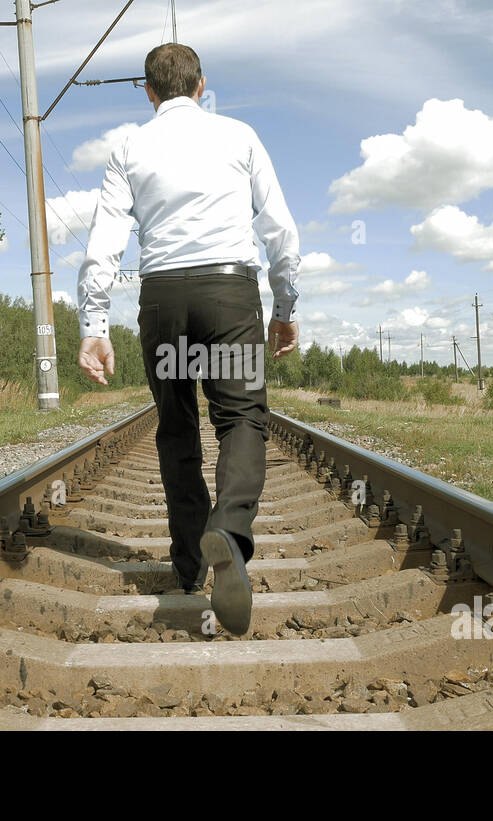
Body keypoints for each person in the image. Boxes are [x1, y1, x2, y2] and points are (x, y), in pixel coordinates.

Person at [75, 43, 301, 636]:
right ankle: (227, 529)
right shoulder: (240, 136)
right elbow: (281, 232)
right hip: (228, 295)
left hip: (164, 299)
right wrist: (285, 307)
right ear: (201, 85)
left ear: (149, 92)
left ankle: (188, 565)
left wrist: (93, 327)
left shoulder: (129, 146)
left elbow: (104, 246)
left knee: (177, 427)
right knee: (242, 419)